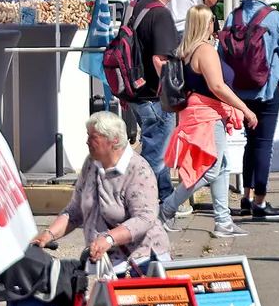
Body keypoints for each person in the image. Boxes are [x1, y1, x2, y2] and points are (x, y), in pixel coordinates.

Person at [31, 110, 173, 273]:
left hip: (140, 261)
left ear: (113, 140)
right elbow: (75, 211)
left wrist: (109, 239)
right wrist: (48, 235)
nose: (87, 141)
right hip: (103, 262)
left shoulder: (138, 169)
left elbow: (145, 218)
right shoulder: (91, 163)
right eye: (88, 135)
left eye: (93, 137)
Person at [163, 8, 259, 240]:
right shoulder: (204, 50)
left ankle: (223, 221)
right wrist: (244, 108)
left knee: (220, 167)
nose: (215, 24)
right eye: (212, 20)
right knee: (208, 169)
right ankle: (166, 209)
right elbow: (217, 86)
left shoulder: (187, 50)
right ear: (206, 23)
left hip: (200, 113)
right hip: (206, 114)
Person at [228, 0, 279, 221]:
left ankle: (245, 196)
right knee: (263, 144)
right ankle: (261, 200)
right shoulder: (273, 17)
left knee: (250, 142)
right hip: (267, 87)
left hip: (238, 90)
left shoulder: (233, 16)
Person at [122, 0, 182, 211]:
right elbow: (160, 60)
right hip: (154, 96)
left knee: (157, 149)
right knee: (155, 156)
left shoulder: (137, 8)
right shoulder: (161, 15)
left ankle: (165, 196)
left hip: (136, 93)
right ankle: (143, 205)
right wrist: (171, 95)